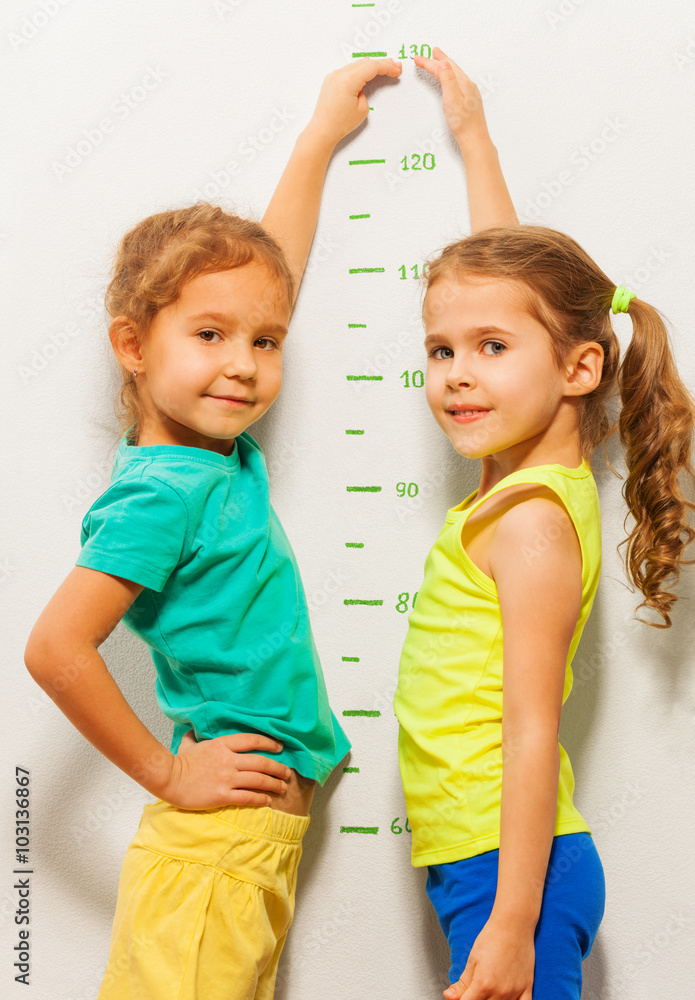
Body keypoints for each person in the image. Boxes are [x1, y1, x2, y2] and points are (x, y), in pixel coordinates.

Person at [24, 56, 402, 1000]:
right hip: (213, 844)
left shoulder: (208, 456)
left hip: (247, 842)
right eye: (209, 337)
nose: (242, 364)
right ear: (131, 344)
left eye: (264, 341)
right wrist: (165, 772)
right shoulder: (163, 492)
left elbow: (271, 268)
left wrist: (319, 137)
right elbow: (54, 647)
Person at [393, 47, 695, 1000]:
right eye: (440, 350)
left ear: (578, 370)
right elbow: (510, 278)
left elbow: (531, 731)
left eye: (487, 348)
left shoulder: (526, 522)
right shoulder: (519, 474)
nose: (458, 374)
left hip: (507, 869)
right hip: (483, 859)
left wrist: (511, 922)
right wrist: (473, 136)